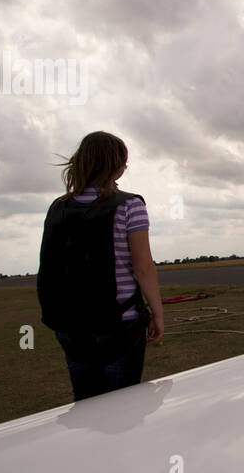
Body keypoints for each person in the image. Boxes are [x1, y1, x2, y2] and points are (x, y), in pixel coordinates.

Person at [37, 131, 164, 401]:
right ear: (117, 167)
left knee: (86, 404)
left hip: (70, 326)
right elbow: (143, 267)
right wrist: (157, 313)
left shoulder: (58, 208)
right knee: (122, 407)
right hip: (120, 325)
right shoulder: (131, 205)